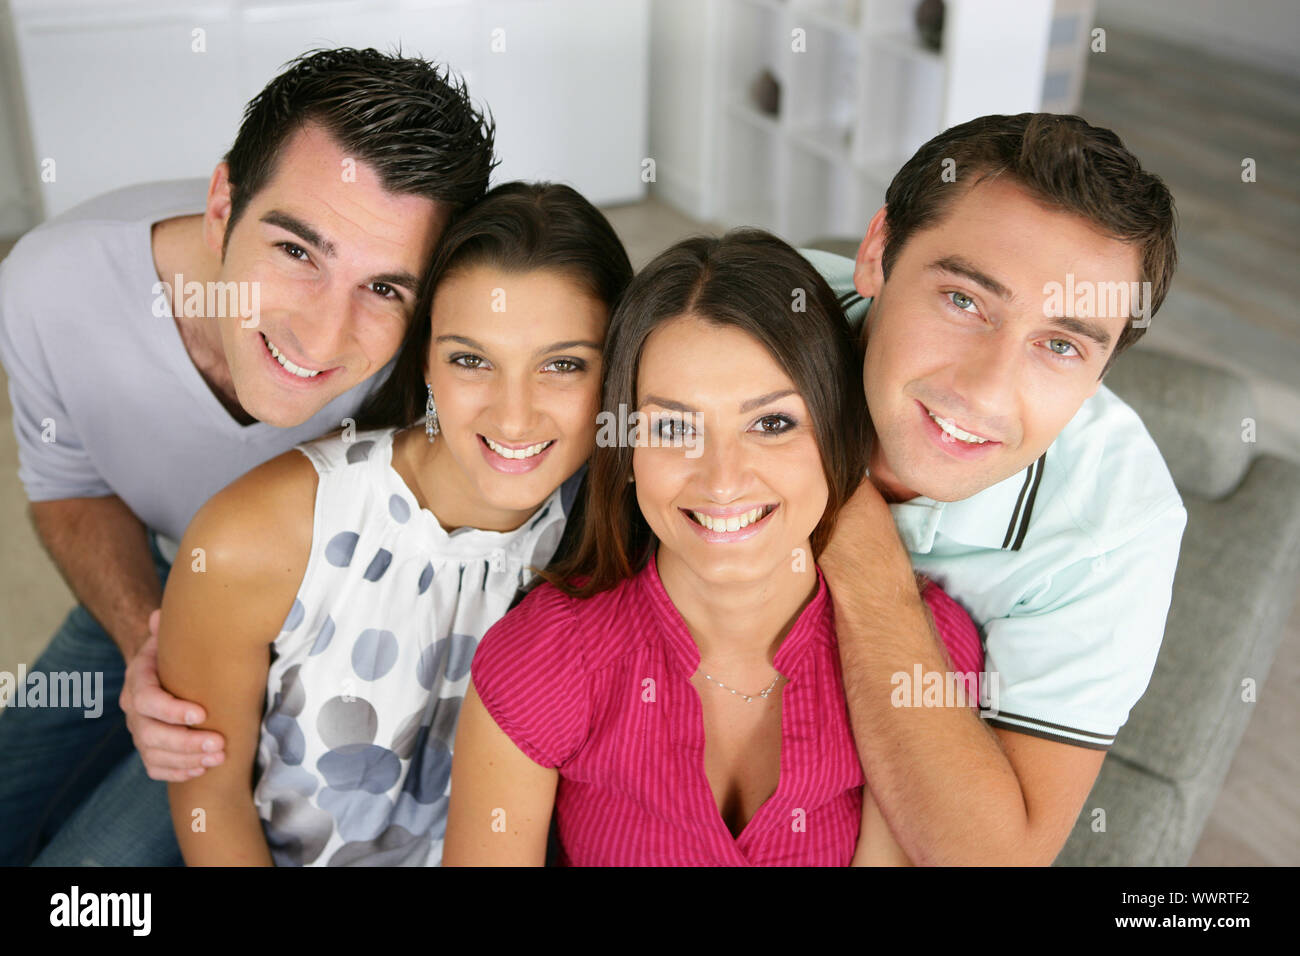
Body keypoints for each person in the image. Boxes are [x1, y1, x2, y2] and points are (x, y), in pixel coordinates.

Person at [0, 47, 494, 865]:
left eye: (384, 288)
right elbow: (67, 486)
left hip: (312, 627)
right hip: (152, 575)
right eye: (299, 252)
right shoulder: (49, 289)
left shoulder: (432, 363)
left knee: (84, 876)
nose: (320, 334)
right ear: (223, 206)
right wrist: (144, 644)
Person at [442, 230, 982, 866]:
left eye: (772, 423)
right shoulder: (542, 661)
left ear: (836, 434)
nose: (723, 479)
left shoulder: (927, 654)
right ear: (629, 449)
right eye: (674, 427)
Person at [156, 181, 632, 866]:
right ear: (426, 359)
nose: (514, 416)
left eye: (563, 364)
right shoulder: (257, 536)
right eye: (471, 360)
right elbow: (209, 800)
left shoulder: (645, 522)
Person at [805, 113, 1187, 864]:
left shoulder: (1117, 530)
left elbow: (990, 858)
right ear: (878, 253)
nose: (984, 391)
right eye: (965, 301)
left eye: (1059, 346)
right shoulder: (734, 323)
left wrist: (860, 548)